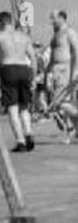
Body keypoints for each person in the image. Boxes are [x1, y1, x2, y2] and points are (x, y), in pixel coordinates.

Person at [0, 10, 36, 153]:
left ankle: (21, 141)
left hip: (8, 69)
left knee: (12, 107)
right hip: (24, 69)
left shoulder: (0, 36)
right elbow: (33, 57)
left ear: (1, 23)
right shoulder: (24, 37)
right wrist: (34, 76)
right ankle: (29, 133)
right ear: (12, 22)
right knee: (24, 106)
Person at [45, 10, 78, 139]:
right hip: (55, 70)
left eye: (53, 18)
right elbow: (53, 56)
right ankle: (75, 131)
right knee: (63, 101)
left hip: (66, 68)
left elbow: (76, 50)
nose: (51, 21)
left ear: (62, 18)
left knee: (59, 102)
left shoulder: (69, 32)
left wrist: (75, 70)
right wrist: (47, 72)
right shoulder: (55, 35)